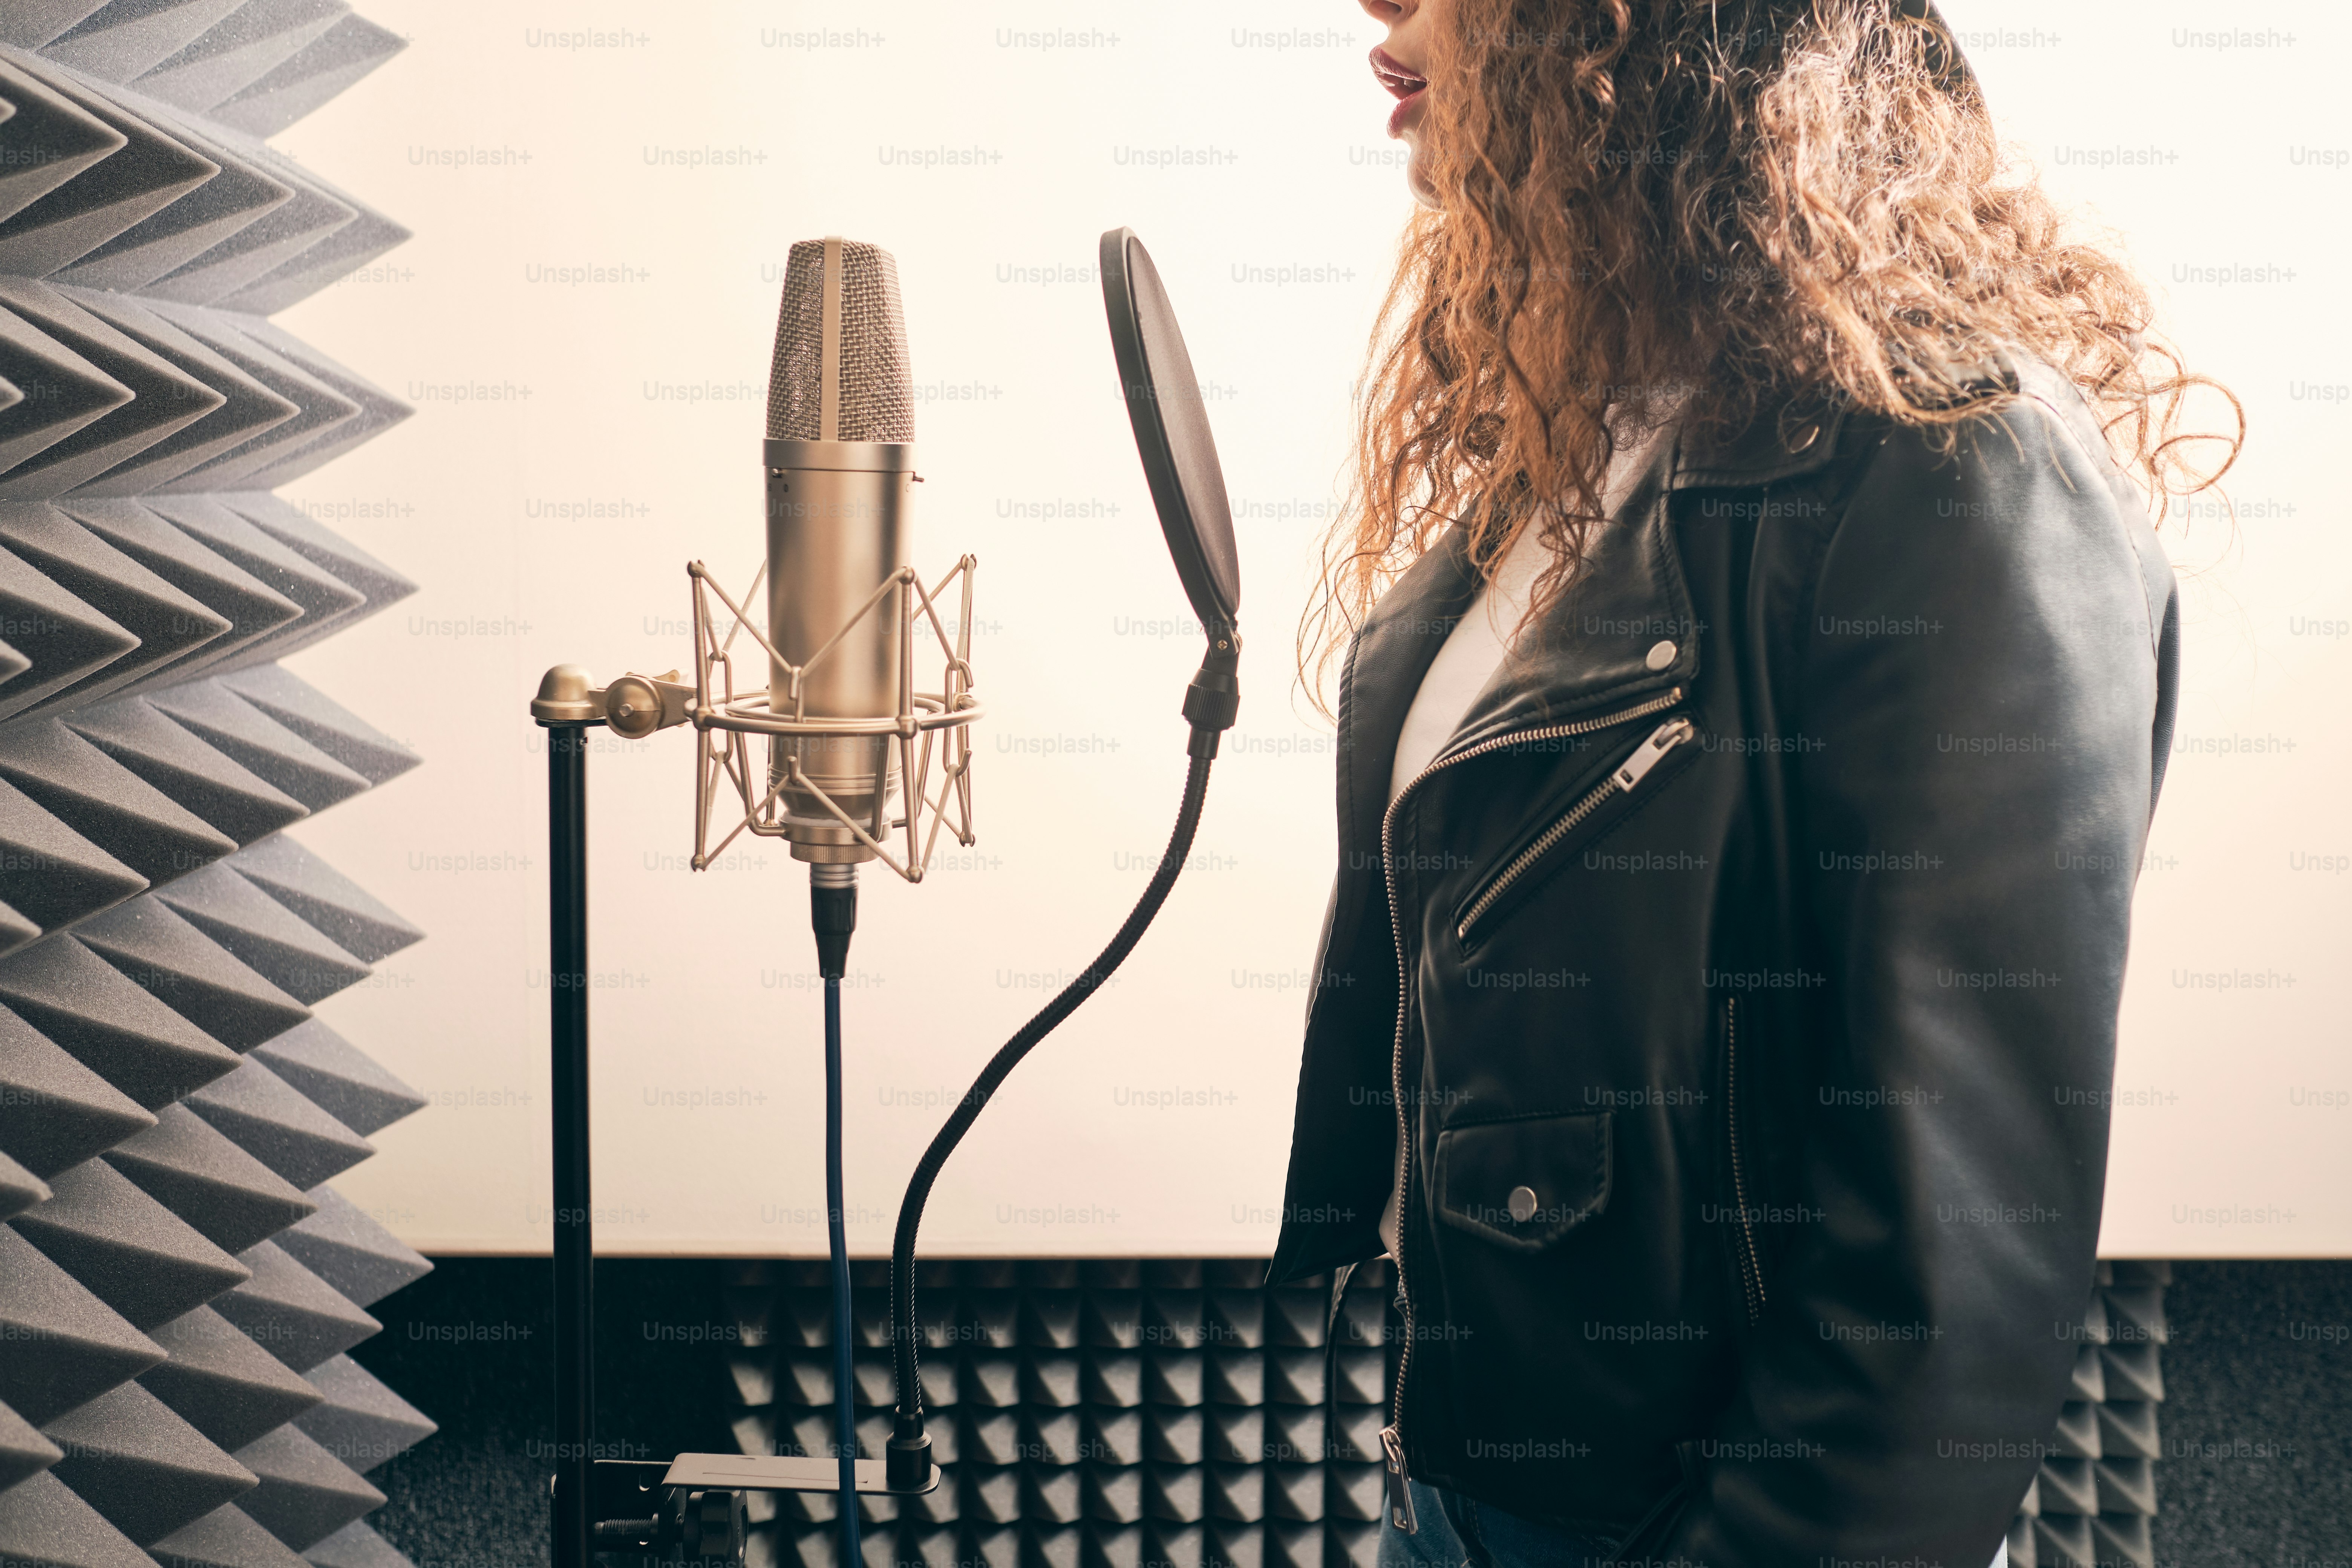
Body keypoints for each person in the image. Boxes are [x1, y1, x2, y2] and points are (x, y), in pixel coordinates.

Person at [1266, 2, 2240, 1566]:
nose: (1373, 3)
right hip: (1453, 1494)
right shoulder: (1586, 440)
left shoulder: (1965, 475)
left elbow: (1948, 1292)